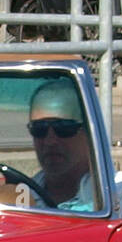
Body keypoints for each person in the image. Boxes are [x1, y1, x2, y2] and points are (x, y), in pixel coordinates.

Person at [26, 78, 98, 210]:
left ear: (89, 133)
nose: (50, 141)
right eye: (39, 129)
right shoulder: (20, 200)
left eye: (64, 128)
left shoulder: (119, 196)